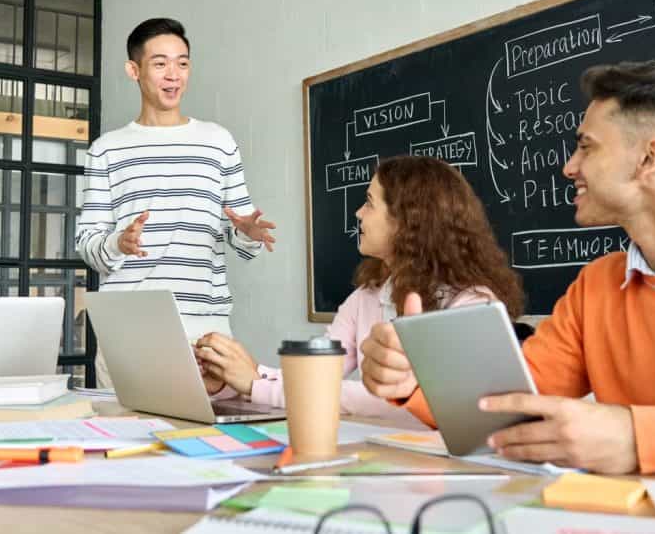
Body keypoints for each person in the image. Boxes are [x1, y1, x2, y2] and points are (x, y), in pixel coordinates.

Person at [361, 60, 655, 478]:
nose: (569, 166)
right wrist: (412, 381)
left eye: (587, 146)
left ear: (649, 157)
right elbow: (505, 406)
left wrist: (638, 438)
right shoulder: (598, 285)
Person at [195, 155, 524, 422]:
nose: (358, 213)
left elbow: (394, 399)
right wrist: (230, 380)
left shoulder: (472, 304)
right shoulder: (365, 297)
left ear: (407, 220)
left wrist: (254, 383)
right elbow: (315, 374)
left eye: (369, 203)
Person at [75, 18, 277, 381]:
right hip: (131, 326)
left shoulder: (219, 141)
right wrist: (119, 243)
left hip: (206, 328)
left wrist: (247, 231)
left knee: (206, 437)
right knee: (127, 436)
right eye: (160, 63)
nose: (173, 74)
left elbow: (246, 247)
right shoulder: (105, 150)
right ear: (133, 70)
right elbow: (88, 246)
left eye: (182, 63)